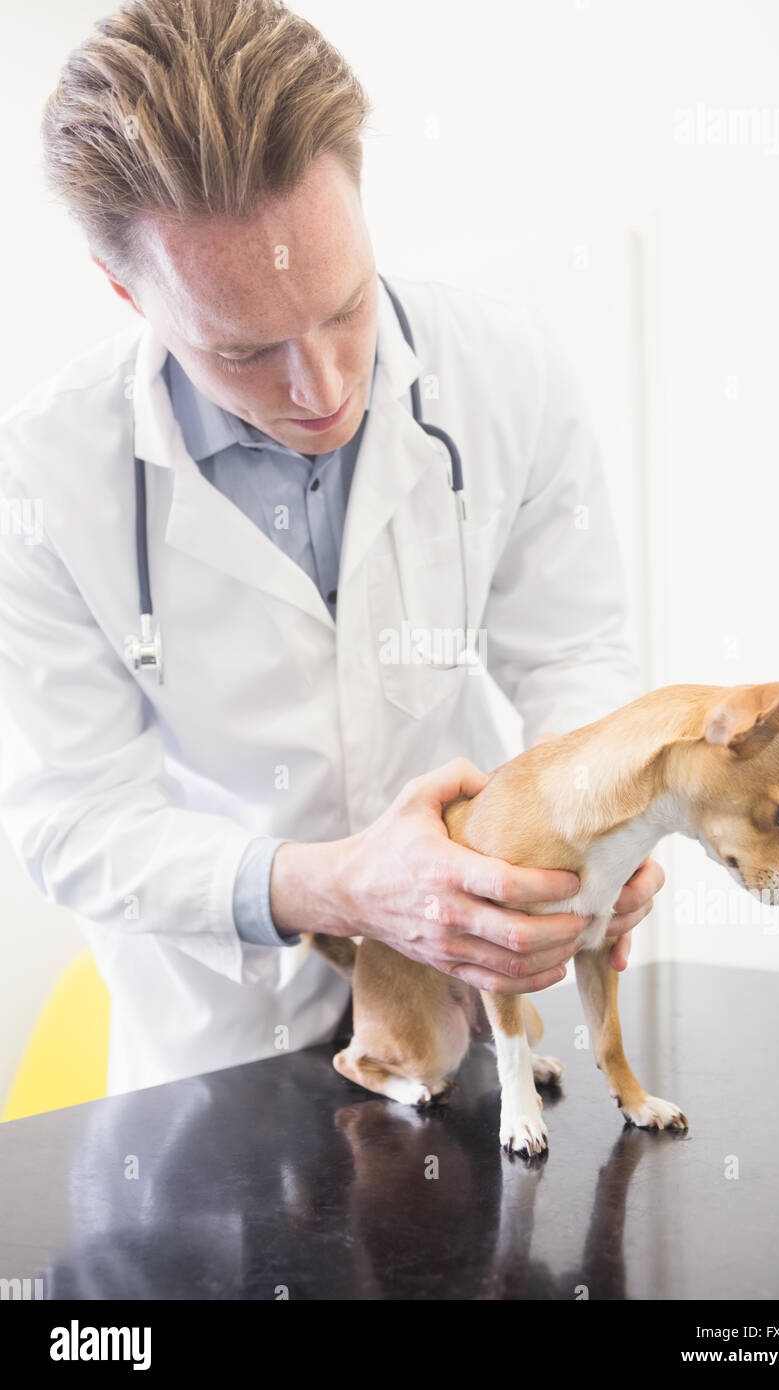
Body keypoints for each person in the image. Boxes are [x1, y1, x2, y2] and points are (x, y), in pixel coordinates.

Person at [0, 0, 663, 1095]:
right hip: (215, 1057)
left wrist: (611, 824)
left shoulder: (506, 368)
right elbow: (75, 822)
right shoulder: (39, 478)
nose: (324, 388)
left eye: (345, 304)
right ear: (126, 292)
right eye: (246, 349)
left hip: (464, 1024)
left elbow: (569, 657)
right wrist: (338, 885)